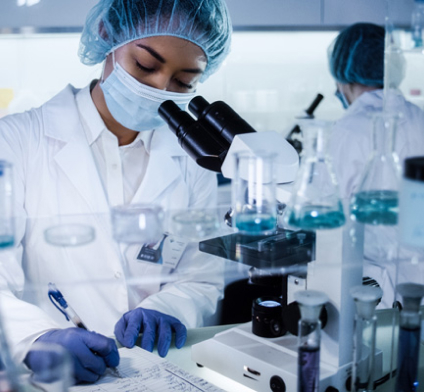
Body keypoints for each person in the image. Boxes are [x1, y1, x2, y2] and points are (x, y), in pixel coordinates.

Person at [0, 0, 231, 384]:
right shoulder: (17, 141)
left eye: (183, 81)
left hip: (155, 372)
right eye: (145, 65)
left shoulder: (193, 158)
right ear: (107, 35)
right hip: (50, 379)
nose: (160, 88)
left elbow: (202, 275)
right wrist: (36, 337)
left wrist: (167, 307)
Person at [328, 23, 424, 308]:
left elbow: (333, 210)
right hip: (418, 272)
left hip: (374, 283)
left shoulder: (349, 129)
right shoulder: (419, 116)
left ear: (343, 77)